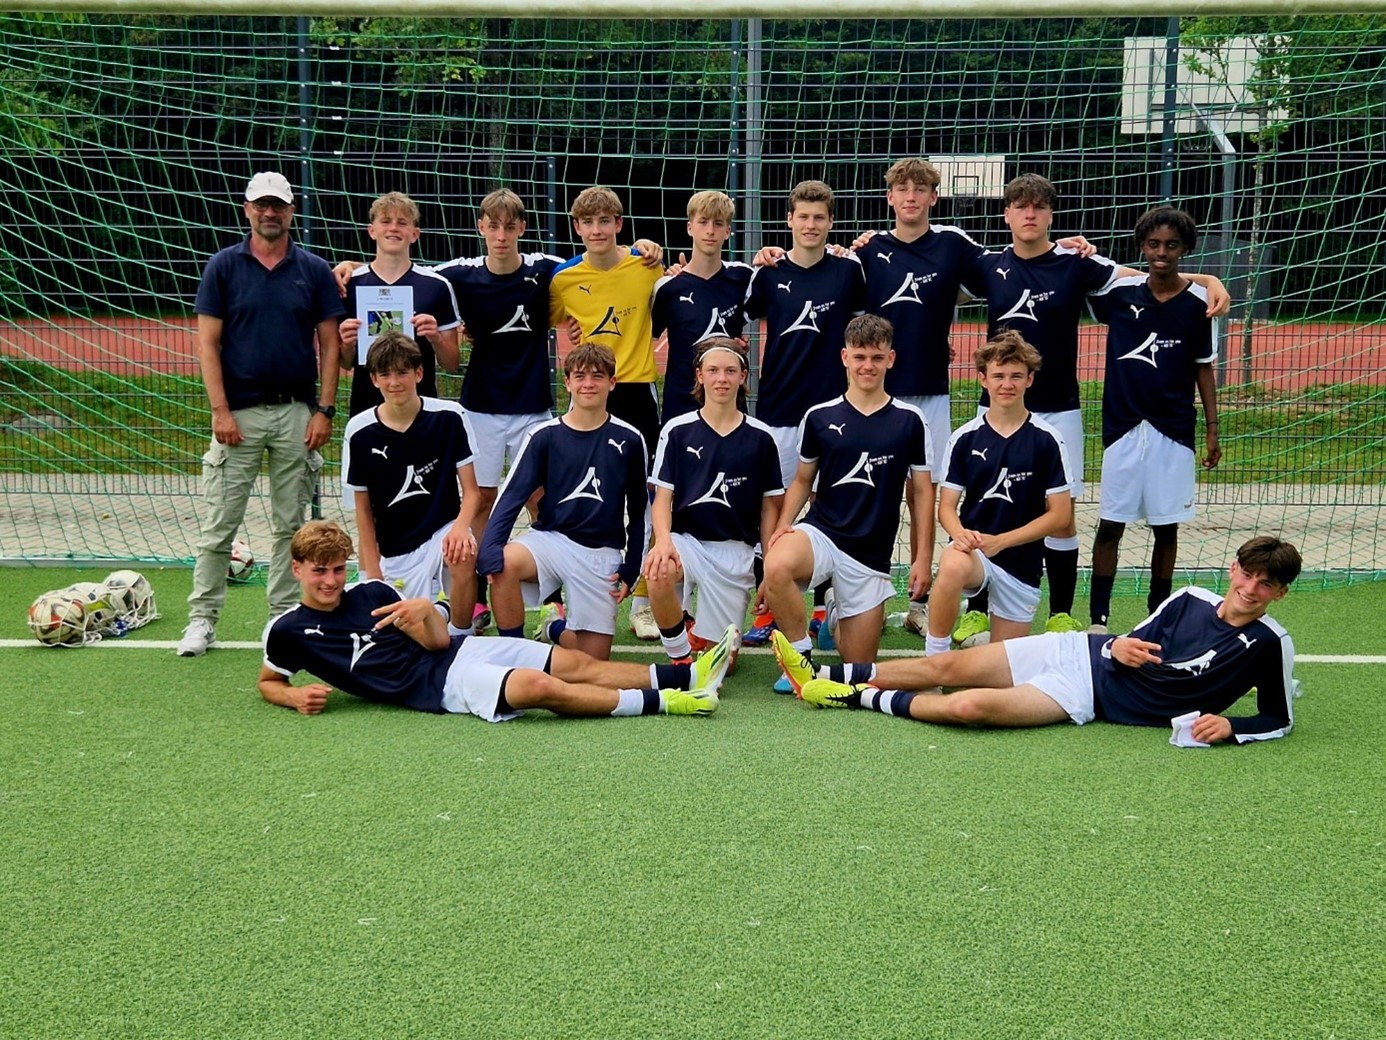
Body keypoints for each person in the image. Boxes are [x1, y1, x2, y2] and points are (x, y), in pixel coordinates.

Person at [955, 174, 1230, 642]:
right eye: (1020, 206)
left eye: (1039, 207)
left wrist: (1208, 279)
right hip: (997, 405)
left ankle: (1061, 612)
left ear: (1051, 215)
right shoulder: (986, 264)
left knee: (1061, 514)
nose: (1029, 214)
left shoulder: (1078, 263)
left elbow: (1150, 273)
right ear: (1006, 214)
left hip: (1060, 406)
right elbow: (937, 292)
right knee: (988, 505)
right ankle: (978, 608)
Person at [781, 536, 1301, 747]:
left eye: (1266, 585)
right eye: (1247, 574)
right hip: (1072, 652)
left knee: (968, 707)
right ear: (1233, 568)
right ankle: (821, 675)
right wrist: (1115, 647)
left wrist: (1232, 726)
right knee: (945, 669)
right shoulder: (1189, 597)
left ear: (1279, 593)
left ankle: (853, 696)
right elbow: (1130, 642)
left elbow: (1278, 718)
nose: (1250, 589)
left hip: (1084, 697)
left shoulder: (1270, 643)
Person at [259, 521, 734, 720]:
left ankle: (689, 675)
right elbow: (269, 681)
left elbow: (438, 642)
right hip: (437, 688)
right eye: (319, 572)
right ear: (297, 570)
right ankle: (667, 702)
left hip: (460, 653)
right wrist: (293, 695)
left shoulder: (373, 592)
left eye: (337, 569)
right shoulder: (287, 631)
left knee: (573, 663)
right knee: (536, 686)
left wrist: (425, 614)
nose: (330, 581)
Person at [180, 171, 345, 657]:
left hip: (296, 415)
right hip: (239, 417)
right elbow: (208, 345)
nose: (269, 213)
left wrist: (324, 410)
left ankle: (281, 619)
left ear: (291, 210)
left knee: (290, 529)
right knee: (219, 526)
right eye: (261, 205)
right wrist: (219, 410)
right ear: (248, 209)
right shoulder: (223, 267)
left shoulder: (313, 269)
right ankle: (202, 619)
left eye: (278, 205)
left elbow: (330, 344)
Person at [852, 159, 988, 637]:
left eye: (920, 188)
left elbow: (1009, 267)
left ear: (934, 196)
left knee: (925, 494)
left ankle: (921, 598)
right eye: (902, 188)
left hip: (930, 392)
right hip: (875, 394)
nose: (911, 196)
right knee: (866, 489)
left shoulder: (953, 244)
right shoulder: (867, 250)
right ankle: (856, 592)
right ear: (889, 197)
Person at [763, 314, 934, 688]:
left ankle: (835, 613)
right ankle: (800, 660)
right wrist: (780, 531)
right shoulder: (819, 416)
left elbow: (922, 492)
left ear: (890, 359)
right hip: (823, 532)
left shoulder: (911, 420)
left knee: (859, 665)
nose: (867, 366)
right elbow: (802, 480)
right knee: (777, 564)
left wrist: (922, 558)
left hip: (870, 553)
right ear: (845, 357)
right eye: (859, 357)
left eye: (876, 357)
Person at [742, 179, 868, 647]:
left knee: (827, 508)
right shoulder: (768, 273)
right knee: (774, 508)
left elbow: (865, 330)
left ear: (830, 222)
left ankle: (822, 608)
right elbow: (735, 319)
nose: (811, 225)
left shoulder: (848, 272)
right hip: (778, 408)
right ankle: (769, 606)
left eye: (819, 217)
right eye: (803, 217)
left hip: (834, 412)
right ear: (789, 220)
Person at [895, 330, 1072, 661]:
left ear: (1030, 380)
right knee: (951, 563)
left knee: (1002, 672)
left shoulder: (1048, 439)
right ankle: (936, 660)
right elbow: (946, 507)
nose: (1007, 384)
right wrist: (960, 534)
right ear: (983, 380)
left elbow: (1060, 515)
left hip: (1021, 565)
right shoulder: (965, 438)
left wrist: (1002, 541)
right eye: (999, 376)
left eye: (1016, 376)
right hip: (974, 554)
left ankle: (985, 654)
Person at [1087, 207, 1221, 633]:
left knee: (1165, 529)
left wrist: (1213, 429)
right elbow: (1083, 276)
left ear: (1186, 249)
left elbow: (1203, 367)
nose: (1162, 253)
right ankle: (1098, 619)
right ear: (1142, 246)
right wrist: (1079, 248)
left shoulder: (1199, 304)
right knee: (1111, 526)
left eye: (1171, 245)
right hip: (1123, 428)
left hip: (1174, 432)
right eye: (1153, 244)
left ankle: (1156, 617)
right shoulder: (1119, 294)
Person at [476, 344, 649, 661]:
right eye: (580, 376)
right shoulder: (543, 435)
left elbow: (640, 512)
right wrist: (489, 549)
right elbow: (511, 495)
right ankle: (515, 654)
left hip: (600, 551)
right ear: (567, 382)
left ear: (612, 382)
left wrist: (632, 567)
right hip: (550, 540)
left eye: (597, 376)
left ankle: (553, 628)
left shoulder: (630, 439)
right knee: (504, 564)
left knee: (592, 660)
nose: (588, 384)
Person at [549, 186, 666, 640]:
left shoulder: (646, 265)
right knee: (576, 495)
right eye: (587, 222)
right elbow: (547, 317)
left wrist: (650, 249)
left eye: (605, 221)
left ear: (619, 224)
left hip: (636, 392)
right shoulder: (562, 279)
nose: (596, 230)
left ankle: (643, 602)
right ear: (577, 227)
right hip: (588, 394)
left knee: (648, 498)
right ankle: (563, 600)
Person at [644, 339, 783, 664]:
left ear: (743, 377)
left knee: (724, 664)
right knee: (659, 569)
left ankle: (704, 634)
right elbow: (662, 498)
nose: (722, 378)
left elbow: (769, 508)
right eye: (713, 370)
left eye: (730, 371)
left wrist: (769, 567)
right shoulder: (676, 430)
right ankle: (680, 657)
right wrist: (663, 542)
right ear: (699, 375)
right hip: (687, 542)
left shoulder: (762, 436)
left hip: (735, 551)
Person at [341, 332, 480, 630]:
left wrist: (460, 528)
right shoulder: (358, 431)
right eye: (385, 375)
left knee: (463, 551)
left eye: (402, 372)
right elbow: (363, 511)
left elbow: (472, 492)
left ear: (419, 373)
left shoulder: (450, 416)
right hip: (394, 549)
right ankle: (441, 610)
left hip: (442, 531)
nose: (394, 382)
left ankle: (461, 632)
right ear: (374, 380)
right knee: (400, 634)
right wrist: (372, 571)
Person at [338, 192, 461, 417]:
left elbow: (452, 363)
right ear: (371, 230)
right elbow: (346, 364)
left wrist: (436, 338)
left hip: (422, 410)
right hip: (366, 410)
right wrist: (346, 345)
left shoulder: (437, 285)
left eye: (402, 223)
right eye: (386, 221)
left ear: (415, 234)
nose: (393, 228)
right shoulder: (349, 284)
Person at [650, 190, 754, 424]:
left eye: (718, 224)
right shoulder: (667, 287)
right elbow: (646, 337)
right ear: (690, 227)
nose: (710, 231)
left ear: (727, 231)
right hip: (681, 404)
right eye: (703, 222)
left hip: (729, 404)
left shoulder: (743, 277)